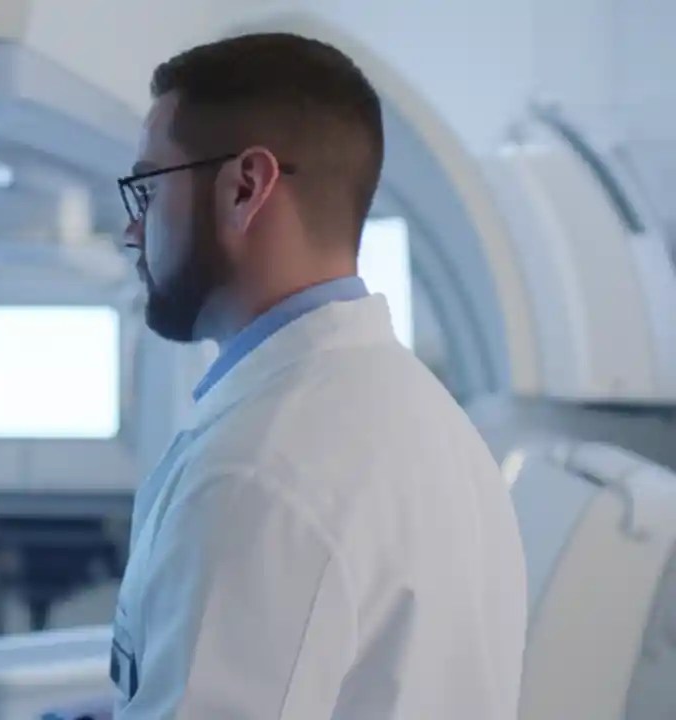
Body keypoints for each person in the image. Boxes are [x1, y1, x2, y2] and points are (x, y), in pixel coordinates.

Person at [111, 32, 528, 719]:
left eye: (148, 189)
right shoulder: (432, 419)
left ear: (245, 187)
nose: (132, 231)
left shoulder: (256, 471)